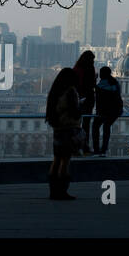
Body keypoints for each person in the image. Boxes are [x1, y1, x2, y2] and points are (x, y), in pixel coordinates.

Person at [45, 67, 81, 200]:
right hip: (68, 128)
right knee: (65, 161)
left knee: (56, 159)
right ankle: (62, 191)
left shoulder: (55, 91)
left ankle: (53, 191)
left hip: (58, 128)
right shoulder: (70, 91)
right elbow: (74, 111)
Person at [91, 66, 123, 156]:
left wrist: (94, 80)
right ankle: (104, 150)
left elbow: (96, 91)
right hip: (116, 110)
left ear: (102, 74)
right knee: (106, 127)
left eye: (101, 73)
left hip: (105, 111)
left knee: (95, 127)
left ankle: (96, 150)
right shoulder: (114, 82)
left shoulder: (103, 84)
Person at [71, 50, 97, 155]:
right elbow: (91, 85)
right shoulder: (90, 68)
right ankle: (85, 146)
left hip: (78, 98)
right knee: (86, 125)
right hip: (88, 98)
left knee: (76, 124)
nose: (93, 62)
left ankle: (75, 147)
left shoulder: (77, 68)